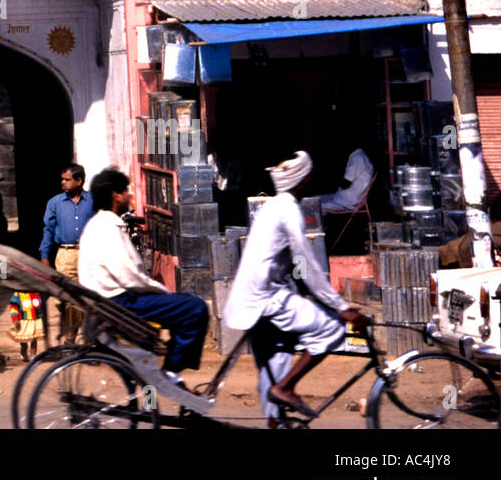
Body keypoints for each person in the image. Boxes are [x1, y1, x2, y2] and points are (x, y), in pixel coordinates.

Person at [223, 151, 371, 421]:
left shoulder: (273, 206)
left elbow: (292, 261)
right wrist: (340, 307)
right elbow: (306, 261)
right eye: (309, 176)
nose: (312, 180)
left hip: (249, 299)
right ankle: (287, 387)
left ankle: (277, 420)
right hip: (267, 298)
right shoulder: (289, 210)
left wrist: (305, 292)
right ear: (301, 181)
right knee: (332, 329)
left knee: (276, 361)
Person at [78, 167, 209, 385]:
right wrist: (161, 291)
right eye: (126, 191)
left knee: (176, 315)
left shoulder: (97, 226)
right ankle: (172, 371)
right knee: (195, 308)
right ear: (115, 195)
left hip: (109, 301)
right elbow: (130, 276)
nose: (130, 195)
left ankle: (152, 401)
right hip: (121, 301)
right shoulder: (107, 229)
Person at [39, 163, 93, 346]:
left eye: (67, 179)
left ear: (79, 181)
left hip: (88, 256)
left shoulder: (93, 202)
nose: (63, 183)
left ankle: (86, 342)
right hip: (65, 255)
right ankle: (70, 341)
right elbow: (48, 230)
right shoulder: (54, 203)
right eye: (62, 179)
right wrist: (44, 257)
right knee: (68, 299)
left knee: (89, 298)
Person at [319, 147, 375, 214]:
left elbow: (345, 184)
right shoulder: (361, 155)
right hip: (356, 198)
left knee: (315, 205)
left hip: (349, 201)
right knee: (318, 198)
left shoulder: (357, 158)